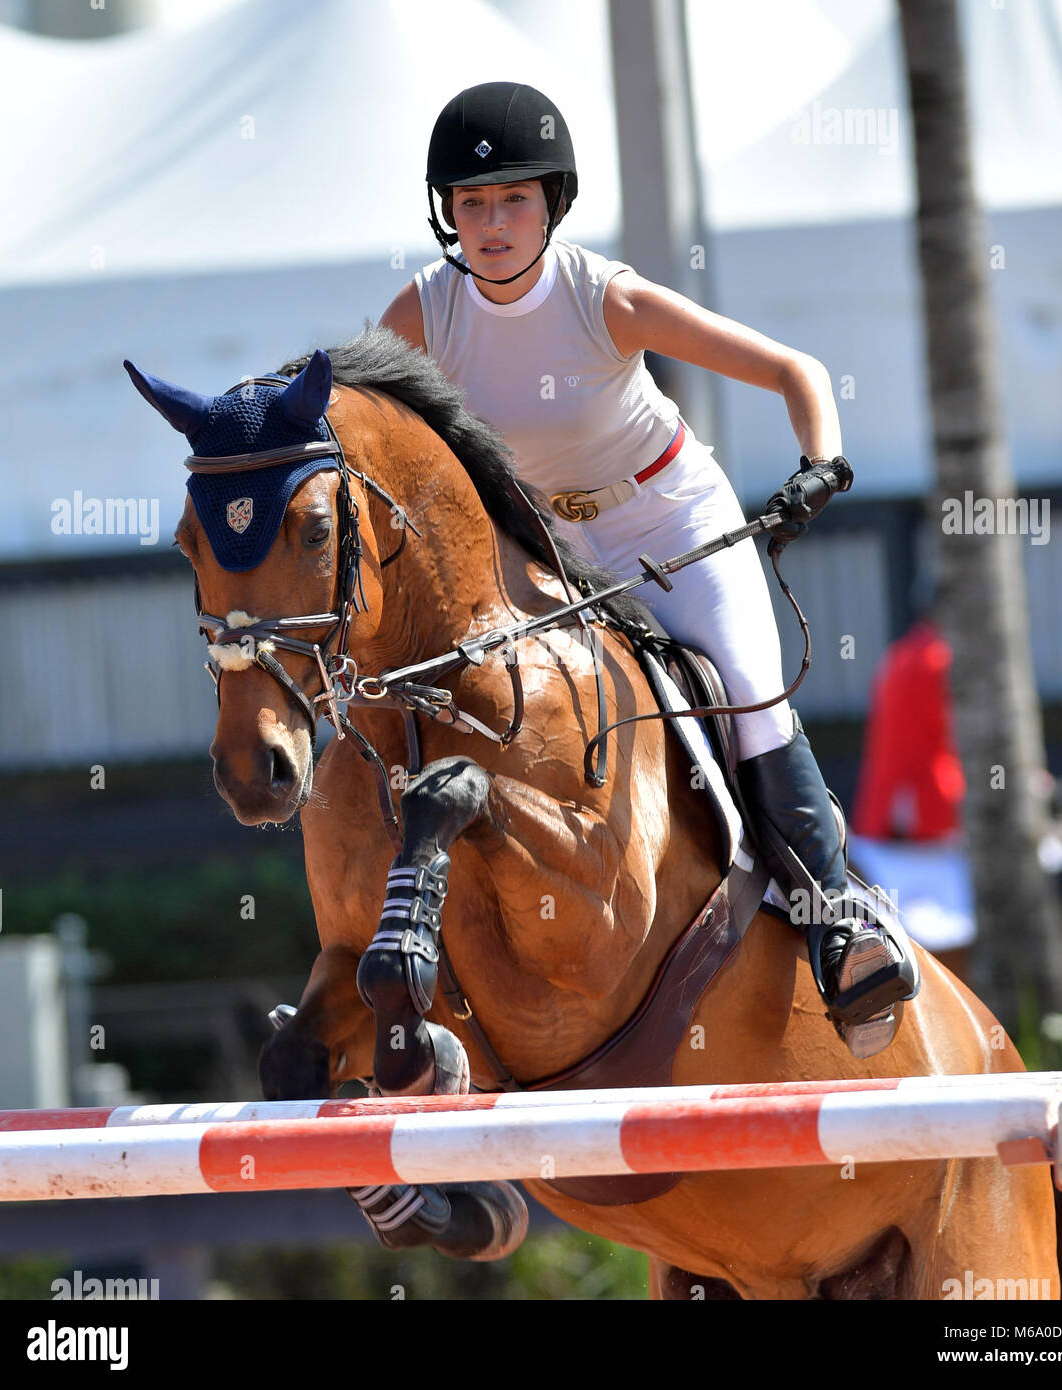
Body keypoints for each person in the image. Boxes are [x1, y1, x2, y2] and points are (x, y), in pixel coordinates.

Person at [379, 81, 913, 1058]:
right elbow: (357, 423)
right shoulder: (422, 311)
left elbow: (793, 370)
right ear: (445, 211)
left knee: (749, 697)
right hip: (551, 548)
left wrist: (820, 462)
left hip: (671, 520)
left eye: (512, 200)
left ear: (552, 203)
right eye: (471, 202)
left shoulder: (605, 298)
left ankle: (837, 918)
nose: (490, 224)